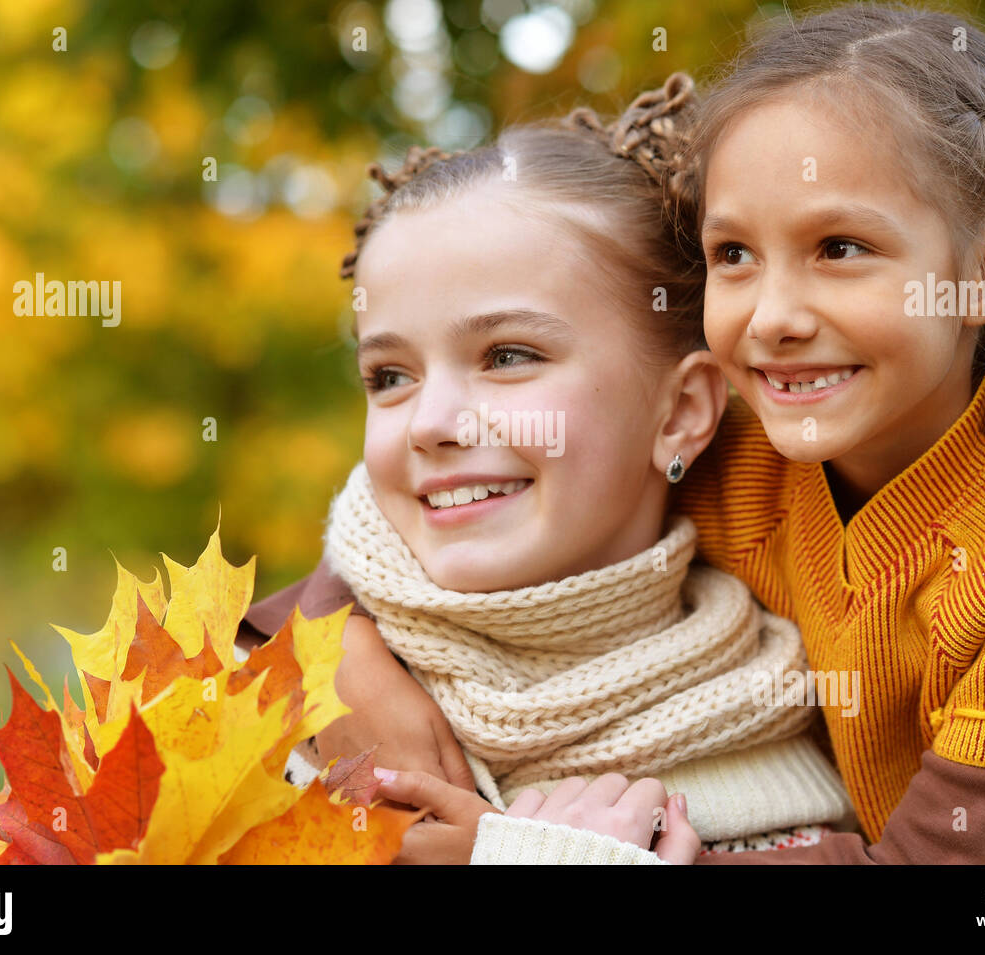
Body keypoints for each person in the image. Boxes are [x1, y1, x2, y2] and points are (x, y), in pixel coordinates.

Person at [283, 4, 985, 864]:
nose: (772, 317)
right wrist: (339, 657)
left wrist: (538, 853)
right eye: (734, 254)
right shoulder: (748, 443)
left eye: (841, 247)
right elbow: (398, 516)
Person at [240, 74, 854, 865]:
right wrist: (325, 648)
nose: (429, 423)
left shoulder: (804, 708)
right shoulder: (271, 708)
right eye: (389, 376)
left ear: (681, 413)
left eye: (507, 356)